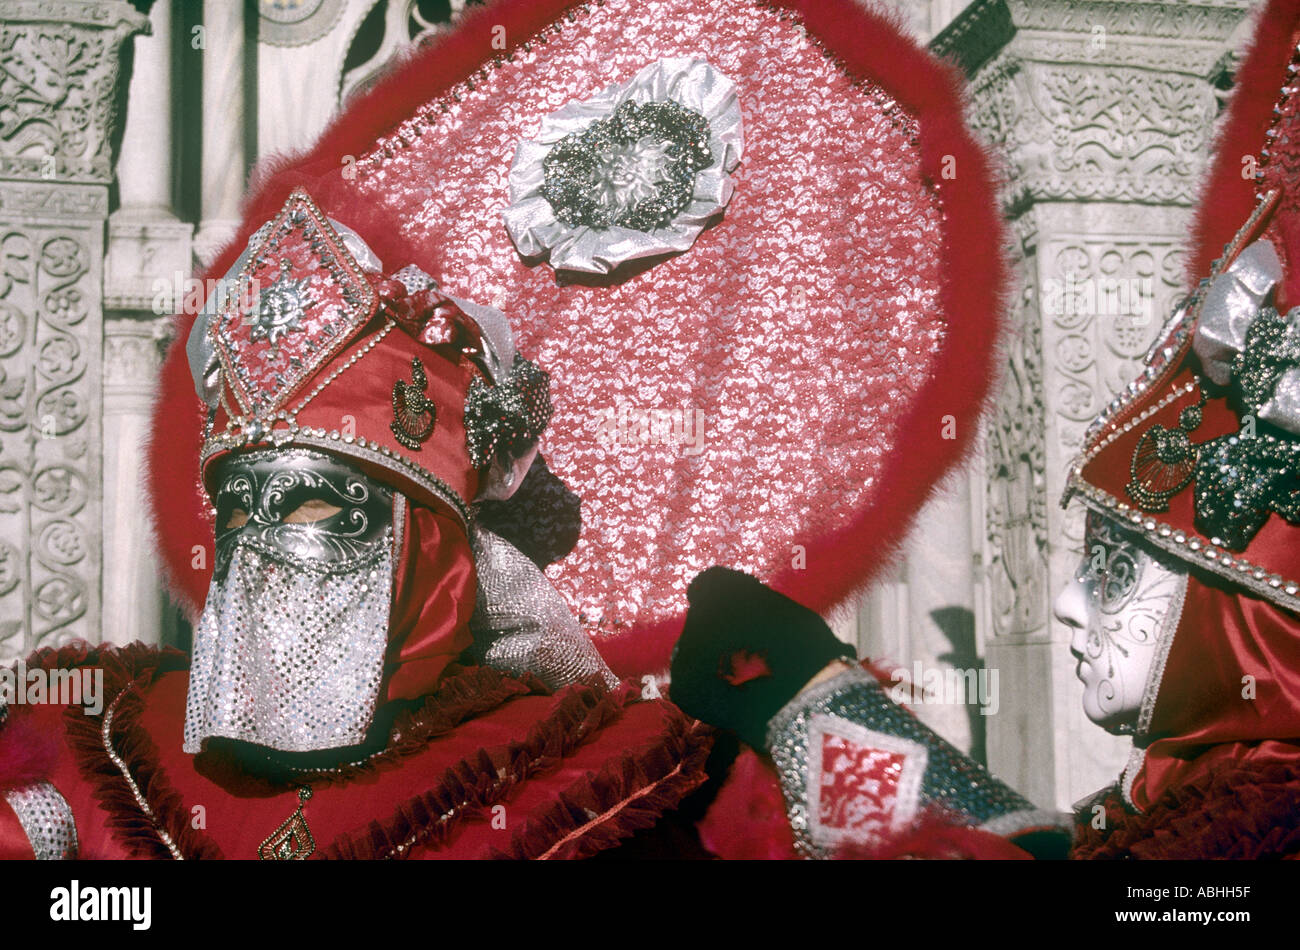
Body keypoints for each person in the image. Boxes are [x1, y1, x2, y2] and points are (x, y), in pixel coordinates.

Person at [0, 0, 1013, 858]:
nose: (263, 544)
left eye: (319, 498)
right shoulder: (116, 774)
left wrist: (804, 702)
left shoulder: (613, 776)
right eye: (239, 501)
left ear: (439, 545)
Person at [668, 0, 1300, 860]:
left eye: (1117, 572)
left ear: (1249, 622)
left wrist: (808, 699)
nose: (1070, 606)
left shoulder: (1266, 828)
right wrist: (807, 690)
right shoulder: (1184, 791)